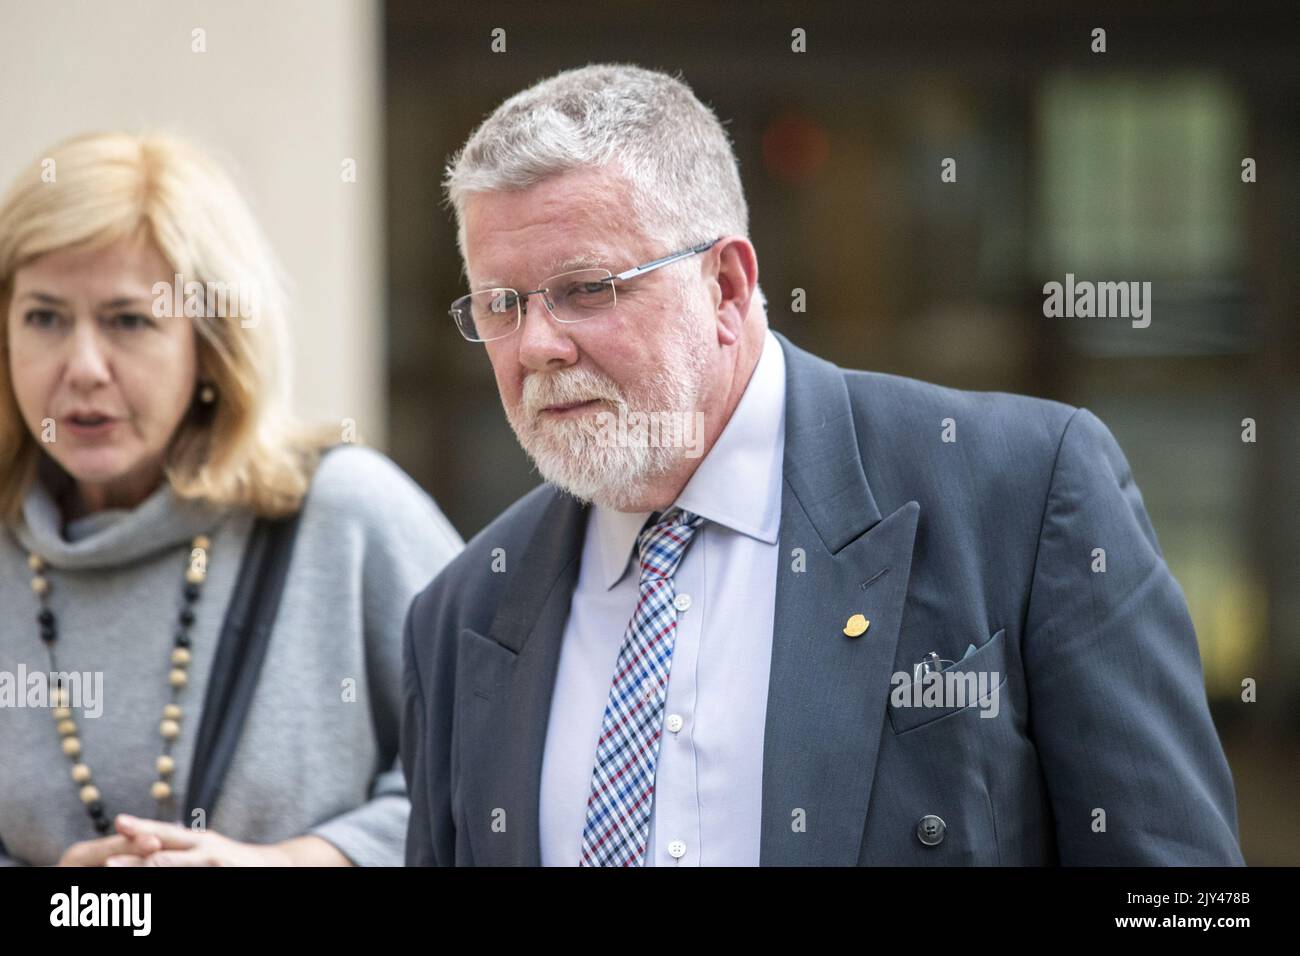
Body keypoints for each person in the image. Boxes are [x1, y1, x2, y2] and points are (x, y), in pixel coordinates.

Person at [400, 64, 1245, 867]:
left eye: (587, 289)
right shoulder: (461, 617)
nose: (539, 345)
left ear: (726, 287)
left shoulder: (1022, 494)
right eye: (500, 304)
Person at [0, 131, 463, 866]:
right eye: (45, 317)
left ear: (209, 346)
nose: (83, 367)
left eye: (129, 320)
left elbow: (494, 775)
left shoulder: (345, 516)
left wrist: (290, 864)